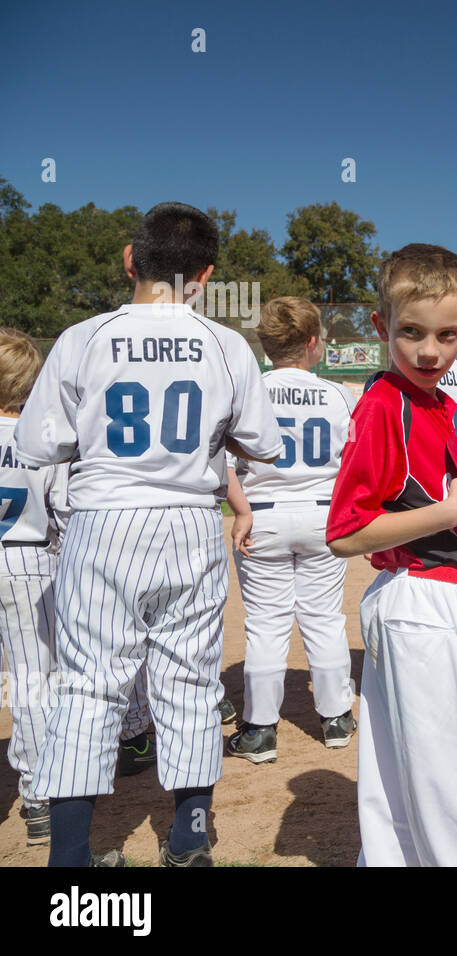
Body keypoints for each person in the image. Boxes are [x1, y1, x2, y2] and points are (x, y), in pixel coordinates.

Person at [16, 202, 283, 867]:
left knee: (88, 686)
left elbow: (37, 445)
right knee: (189, 680)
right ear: (207, 273)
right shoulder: (226, 344)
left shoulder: (83, 337)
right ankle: (189, 837)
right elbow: (265, 446)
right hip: (191, 520)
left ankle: (70, 855)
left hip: (102, 521)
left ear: (130, 259)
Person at [326, 243, 457, 867]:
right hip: (421, 602)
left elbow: (441, 526)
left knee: (405, 784)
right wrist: (454, 512)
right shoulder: (385, 405)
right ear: (382, 327)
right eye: (411, 332)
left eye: (446, 335)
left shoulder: (434, 405)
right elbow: (345, 532)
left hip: (436, 598)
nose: (430, 351)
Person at [225, 297, 358, 764]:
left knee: (266, 623)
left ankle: (260, 730)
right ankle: (337, 718)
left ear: (263, 343)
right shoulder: (341, 394)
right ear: (313, 342)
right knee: (324, 618)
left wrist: (240, 509)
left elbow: (223, 463)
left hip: (261, 514)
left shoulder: (248, 390)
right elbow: (356, 462)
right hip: (324, 514)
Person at [0, 329, 69, 847]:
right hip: (27, 560)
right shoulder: (42, 439)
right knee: (31, 680)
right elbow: (64, 513)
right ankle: (39, 796)